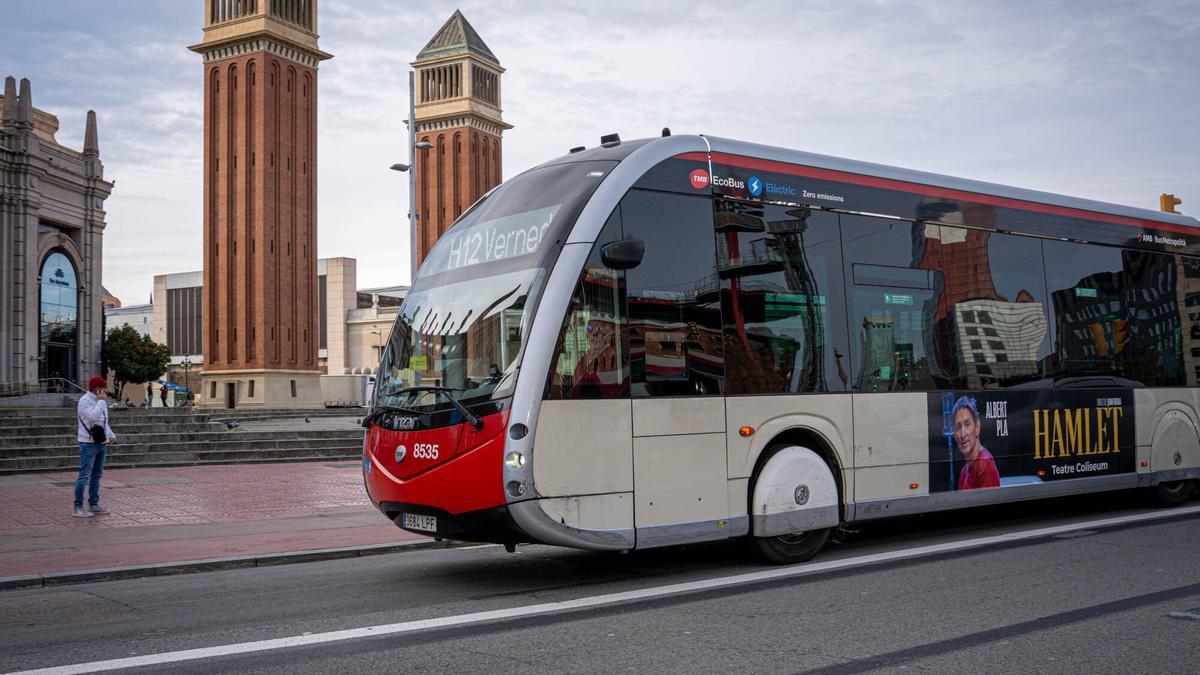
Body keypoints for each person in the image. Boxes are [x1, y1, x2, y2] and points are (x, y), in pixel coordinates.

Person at [75, 375, 116, 517]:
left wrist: (110, 435)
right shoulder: (84, 401)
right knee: (83, 476)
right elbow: (92, 417)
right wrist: (100, 402)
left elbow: (103, 421)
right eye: (103, 388)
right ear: (97, 389)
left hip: (100, 443)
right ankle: (78, 507)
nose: (105, 391)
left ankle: (93, 504)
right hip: (88, 444)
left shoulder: (100, 402)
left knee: (96, 476)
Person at [953, 396, 1000, 490]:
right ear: (954, 434)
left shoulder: (984, 463)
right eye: (958, 427)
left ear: (977, 427)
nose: (963, 434)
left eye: (967, 424)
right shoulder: (965, 470)